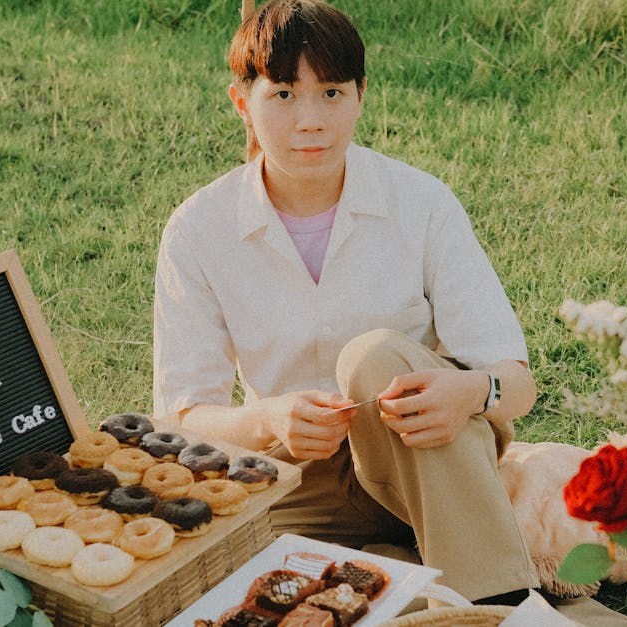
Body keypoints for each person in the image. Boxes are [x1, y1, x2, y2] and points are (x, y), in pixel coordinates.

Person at [153, 0, 539, 605]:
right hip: (296, 479)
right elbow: (180, 419)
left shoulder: (423, 204)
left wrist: (470, 391)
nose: (311, 120)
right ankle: (410, 582)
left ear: (361, 95)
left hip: (425, 464)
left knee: (375, 355)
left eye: (331, 93)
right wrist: (268, 418)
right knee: (218, 585)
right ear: (242, 104)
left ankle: (496, 604)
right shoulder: (198, 230)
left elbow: (516, 383)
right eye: (283, 95)